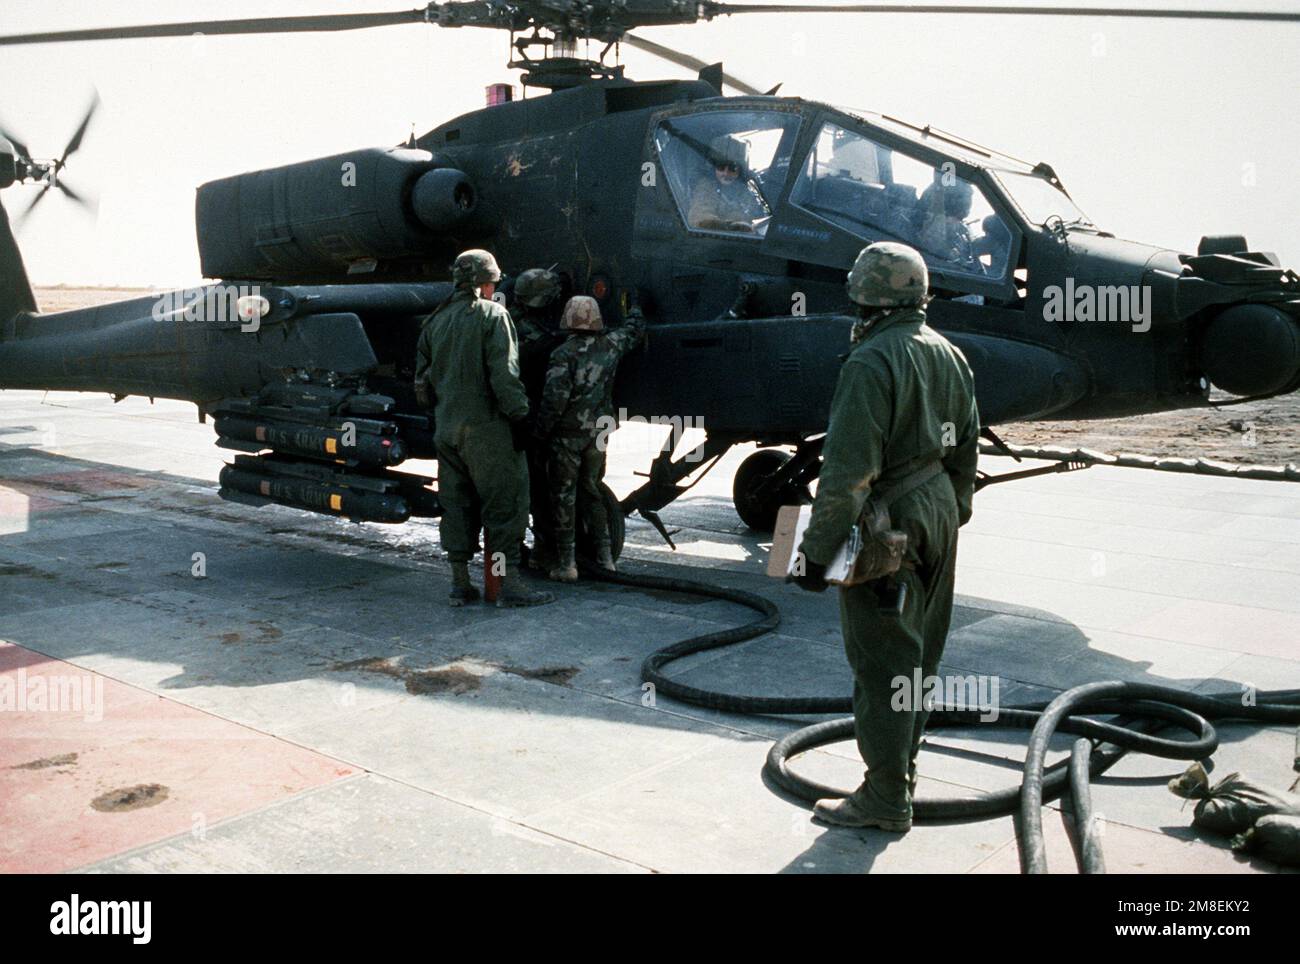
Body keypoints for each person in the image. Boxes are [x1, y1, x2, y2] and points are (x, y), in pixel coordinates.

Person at [790, 242, 979, 832]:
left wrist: (815, 555)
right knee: (920, 654)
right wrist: (950, 511)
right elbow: (965, 447)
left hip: (889, 525)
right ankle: (901, 775)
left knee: (883, 663)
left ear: (865, 294)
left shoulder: (870, 362)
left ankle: (884, 799)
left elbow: (847, 474)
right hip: (939, 513)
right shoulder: (950, 354)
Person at [414, 249, 555, 609]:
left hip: (447, 431)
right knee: (504, 507)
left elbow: (422, 387)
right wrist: (522, 418)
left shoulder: (435, 321)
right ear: (486, 283)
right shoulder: (494, 315)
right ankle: (509, 585)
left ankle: (460, 584)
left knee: (457, 505)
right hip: (488, 432)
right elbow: (504, 378)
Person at [534, 295, 646, 582]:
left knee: (564, 498)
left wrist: (539, 435)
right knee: (592, 491)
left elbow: (553, 402)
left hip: (567, 438)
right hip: (598, 435)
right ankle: (606, 558)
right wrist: (636, 306)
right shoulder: (612, 344)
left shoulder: (563, 354)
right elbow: (634, 330)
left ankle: (567, 564)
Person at [508, 267, 568, 573]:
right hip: (528, 416)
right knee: (538, 489)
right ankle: (541, 552)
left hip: (515, 415)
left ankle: (517, 549)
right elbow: (548, 343)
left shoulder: (505, 320)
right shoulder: (531, 333)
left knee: (521, 488)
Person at [687, 135, 768, 234]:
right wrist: (730, 227)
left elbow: (761, 214)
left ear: (740, 169)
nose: (725, 173)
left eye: (732, 168)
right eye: (720, 166)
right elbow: (700, 216)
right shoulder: (707, 187)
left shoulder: (749, 189)